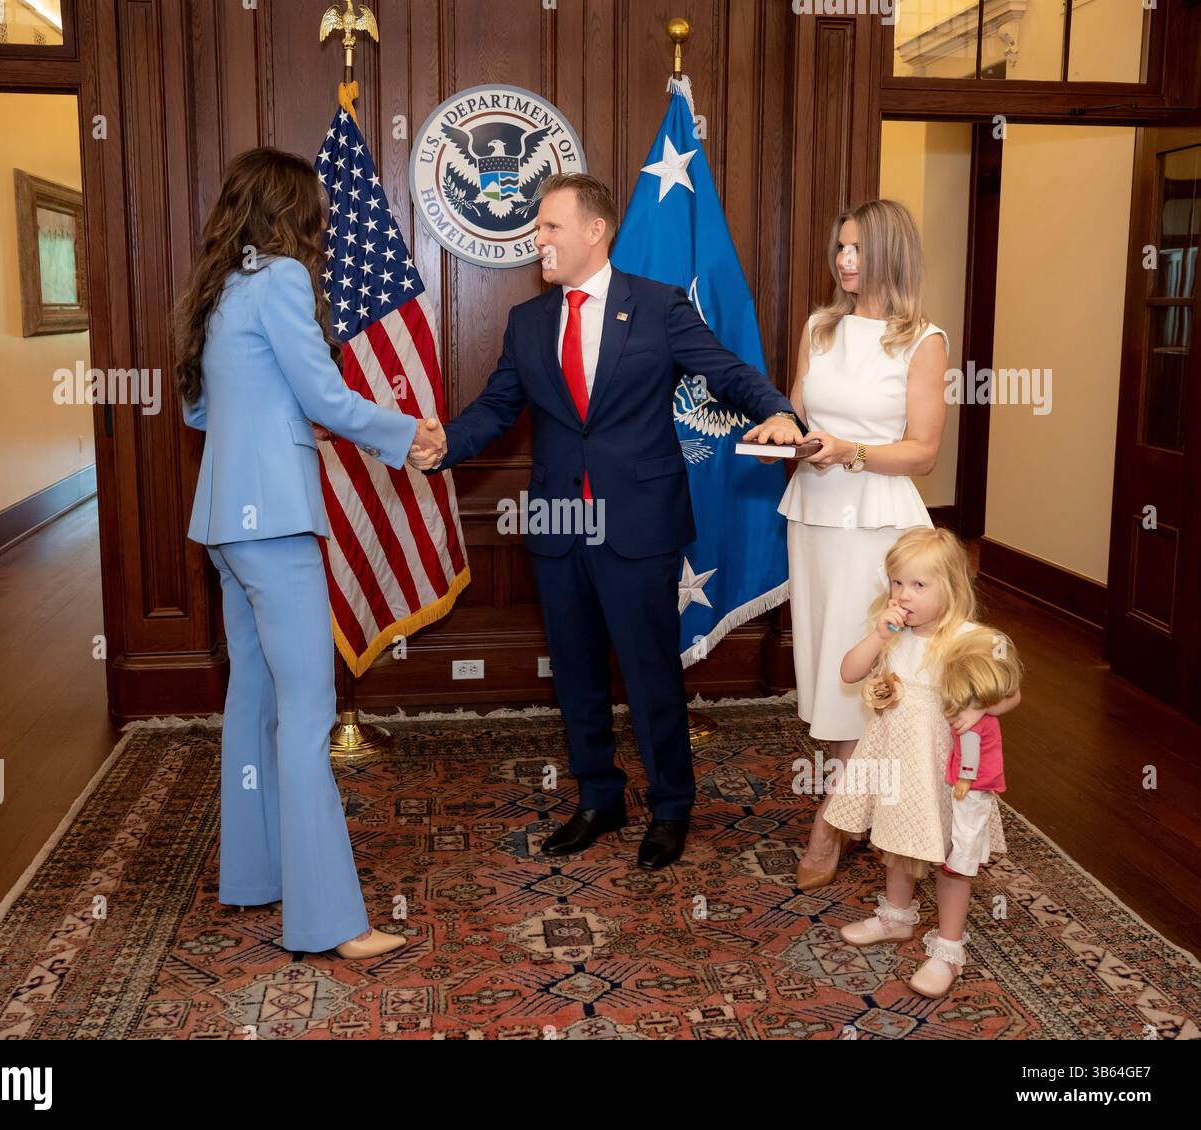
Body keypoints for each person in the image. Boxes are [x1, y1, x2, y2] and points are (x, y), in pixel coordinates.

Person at [412, 173, 803, 869]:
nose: (538, 239)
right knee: (576, 671)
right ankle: (598, 797)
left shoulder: (657, 306)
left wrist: (775, 409)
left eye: (550, 227)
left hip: (640, 524)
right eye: (537, 227)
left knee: (651, 672)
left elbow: (724, 370)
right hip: (561, 525)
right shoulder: (527, 323)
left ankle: (671, 806)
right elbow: (498, 408)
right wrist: (446, 442)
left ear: (595, 232)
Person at [174, 147, 444, 957]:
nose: (322, 227)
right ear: (288, 211)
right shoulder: (282, 280)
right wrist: (407, 435)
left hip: (223, 525)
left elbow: (198, 415)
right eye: (313, 212)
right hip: (276, 525)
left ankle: (255, 877)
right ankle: (329, 922)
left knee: (253, 702)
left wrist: (279, 417)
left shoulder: (212, 292)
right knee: (307, 714)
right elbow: (322, 392)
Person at [763, 199, 949, 890]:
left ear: (890, 257)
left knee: (868, 678)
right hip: (812, 520)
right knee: (828, 668)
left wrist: (849, 453)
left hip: (877, 530)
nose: (843, 261)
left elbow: (924, 452)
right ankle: (858, 808)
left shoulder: (923, 340)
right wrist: (786, 435)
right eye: (839, 247)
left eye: (857, 250)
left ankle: (832, 825)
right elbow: (794, 409)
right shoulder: (819, 328)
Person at [822, 528, 1020, 998]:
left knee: (953, 856)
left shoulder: (972, 640)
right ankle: (896, 917)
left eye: (918, 585)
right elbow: (849, 672)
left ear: (951, 587)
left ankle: (949, 948)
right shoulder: (890, 634)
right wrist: (877, 635)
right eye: (896, 583)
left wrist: (980, 709)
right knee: (896, 839)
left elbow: (1011, 694)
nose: (903, 595)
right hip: (896, 760)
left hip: (948, 772)